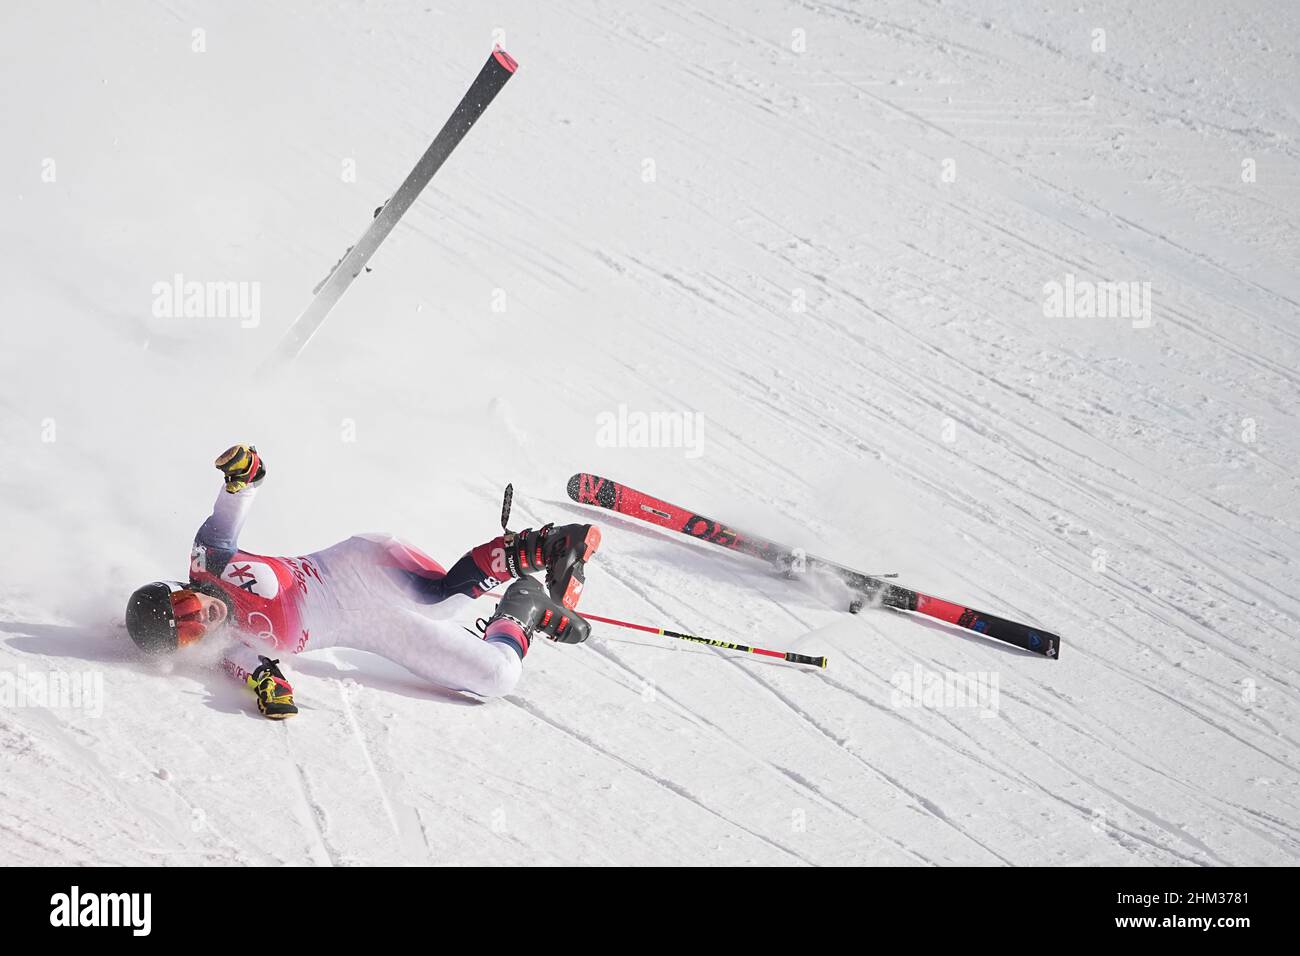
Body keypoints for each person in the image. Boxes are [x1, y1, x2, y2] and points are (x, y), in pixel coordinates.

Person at [124, 444, 600, 719]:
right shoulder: (227, 647)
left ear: (178, 587)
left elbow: (233, 504)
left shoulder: (210, 559)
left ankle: (545, 546)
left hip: (355, 567)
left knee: (440, 602)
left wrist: (242, 476)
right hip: (370, 627)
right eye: (188, 628)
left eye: (185, 603)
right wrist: (272, 690)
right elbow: (257, 673)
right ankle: (525, 604)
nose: (201, 614)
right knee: (494, 677)